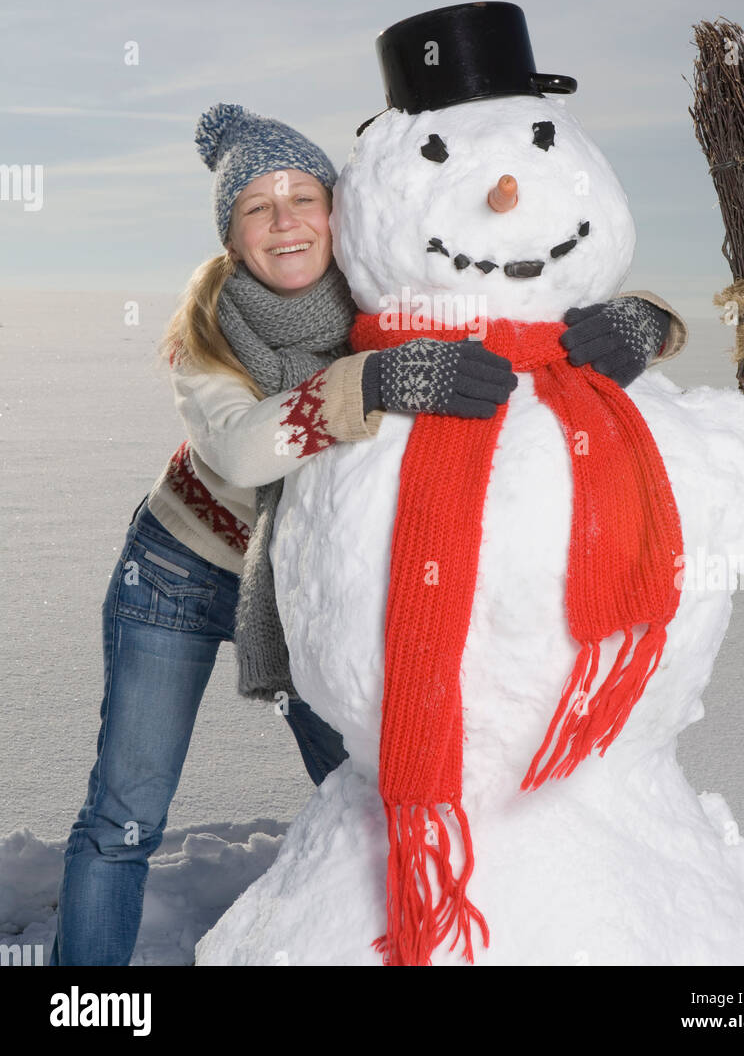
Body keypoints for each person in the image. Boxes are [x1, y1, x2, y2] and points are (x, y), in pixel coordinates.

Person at [50, 102, 685, 966]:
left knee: (365, 782)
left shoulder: (381, 290)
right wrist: (373, 380)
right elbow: (240, 447)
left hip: (298, 583)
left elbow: (525, 300)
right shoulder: (211, 335)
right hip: (178, 572)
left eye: (301, 198)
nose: (285, 223)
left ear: (339, 209)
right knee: (126, 813)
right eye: (257, 208)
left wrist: (650, 320)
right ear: (233, 238)